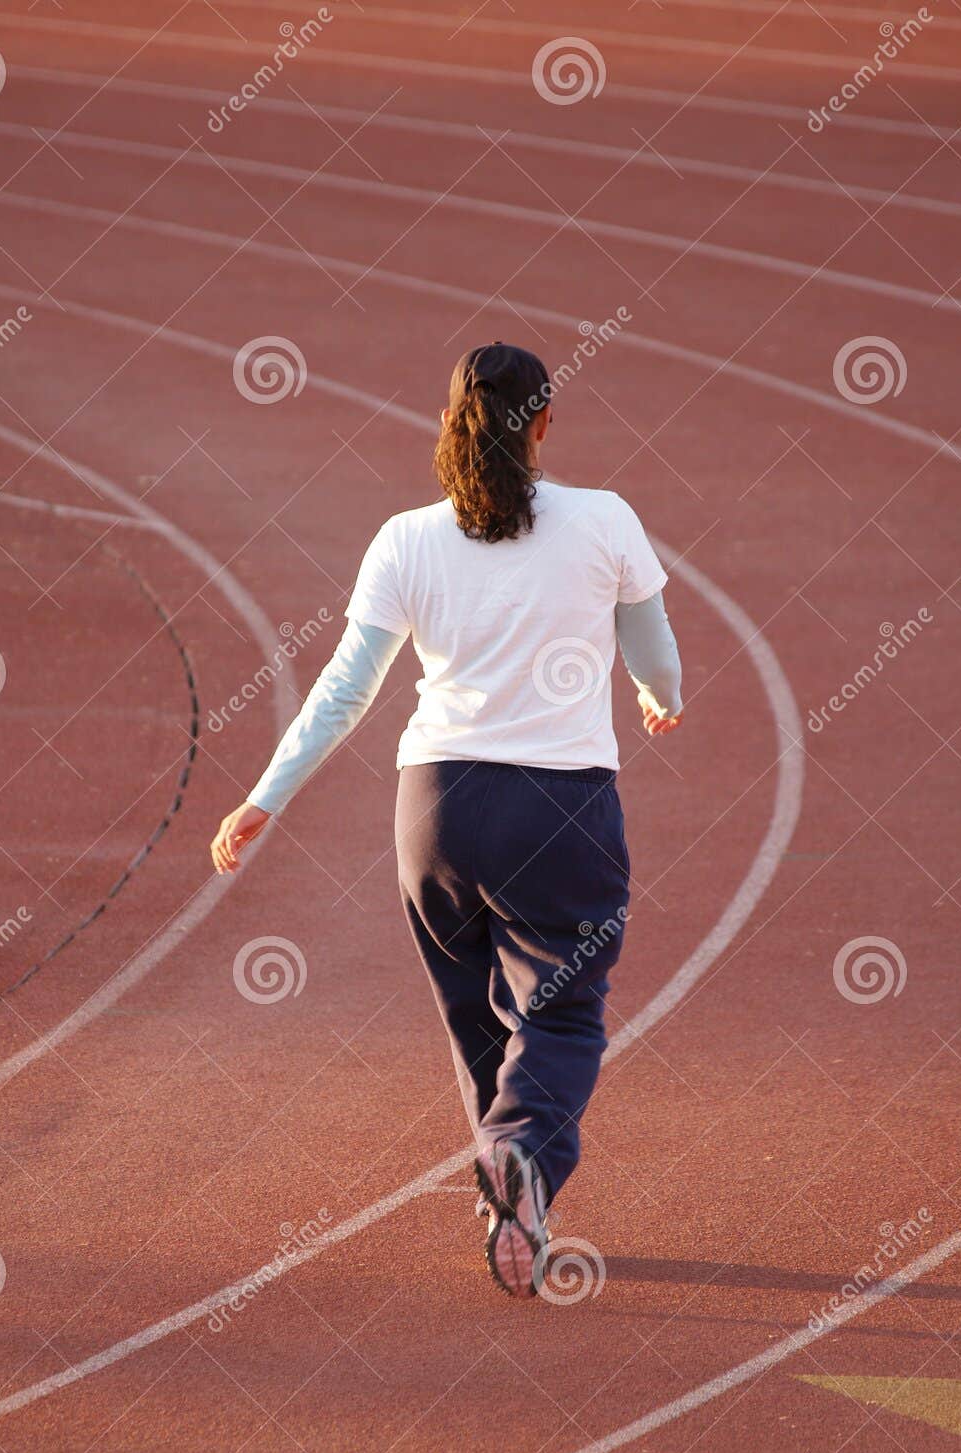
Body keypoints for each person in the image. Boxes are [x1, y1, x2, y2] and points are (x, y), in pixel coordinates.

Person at [211, 343, 683, 1298]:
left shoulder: (405, 538)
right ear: (546, 422)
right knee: (561, 1006)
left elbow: (347, 688)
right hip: (561, 804)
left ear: (450, 423)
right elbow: (657, 656)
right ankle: (521, 1158)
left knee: (477, 1016)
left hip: (433, 807)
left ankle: (505, 1191)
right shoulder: (605, 520)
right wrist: (656, 696)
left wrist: (265, 793)